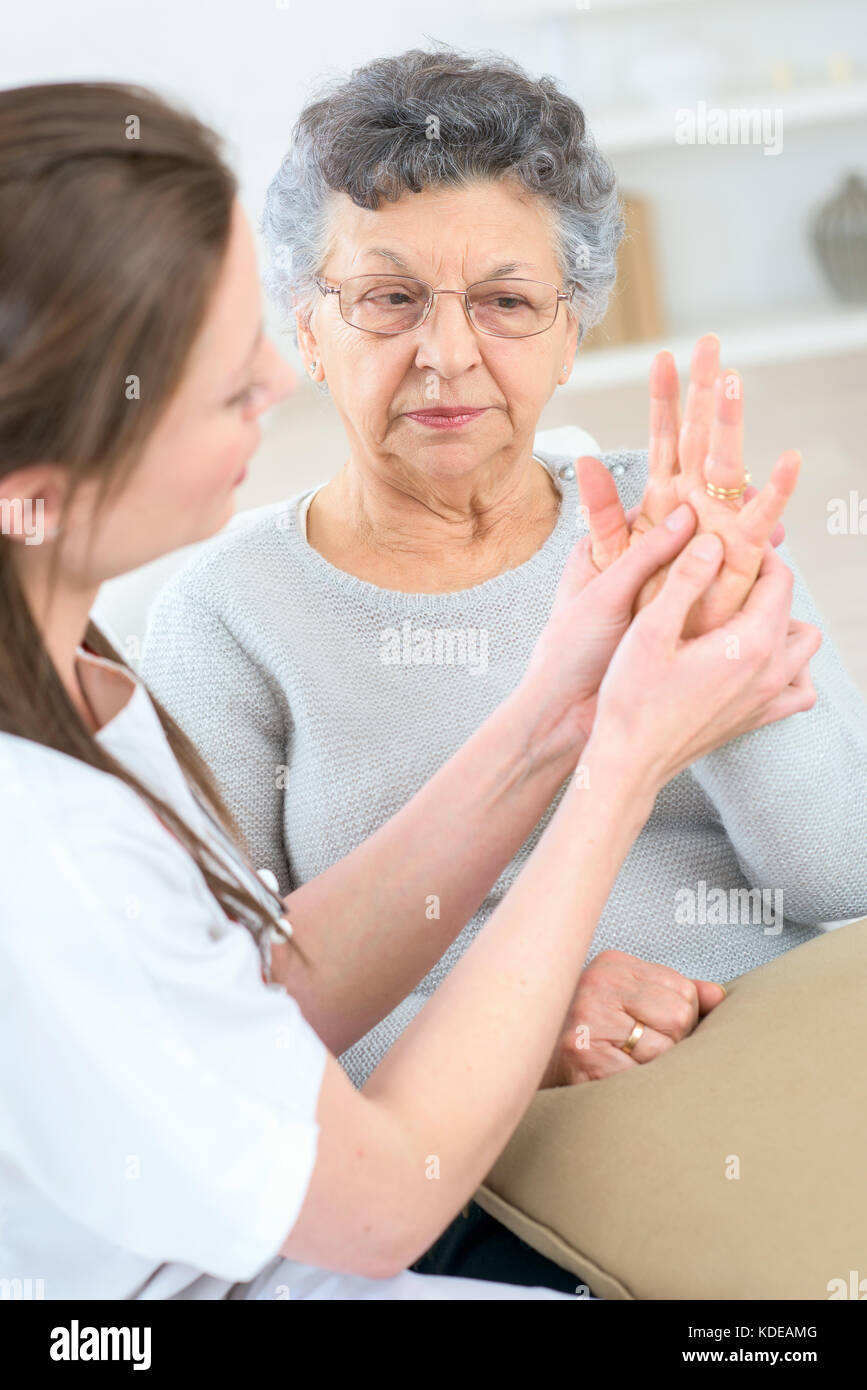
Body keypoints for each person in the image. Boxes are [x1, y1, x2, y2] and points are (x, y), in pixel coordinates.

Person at [0, 80, 820, 1300]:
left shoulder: (73, 676)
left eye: (504, 300)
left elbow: (256, 989)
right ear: (45, 466)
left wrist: (580, 702)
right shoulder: (53, 823)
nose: (271, 389)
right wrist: (615, 771)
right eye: (228, 381)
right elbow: (376, 1198)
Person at [141, 45, 867, 1110]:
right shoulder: (227, 619)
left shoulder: (683, 514)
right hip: (490, 1155)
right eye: (389, 297)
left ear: (570, 329)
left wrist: (720, 650)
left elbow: (842, 876)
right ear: (307, 328)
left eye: (506, 301)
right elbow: (217, 1023)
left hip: (789, 1079)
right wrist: (531, 1034)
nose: (447, 352)